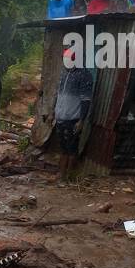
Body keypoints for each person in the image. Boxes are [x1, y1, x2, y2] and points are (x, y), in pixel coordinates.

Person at [54, 53, 95, 182]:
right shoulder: (64, 73)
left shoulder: (84, 75)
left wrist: (81, 120)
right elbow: (58, 94)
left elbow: (86, 100)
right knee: (63, 147)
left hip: (73, 119)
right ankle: (61, 174)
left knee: (71, 148)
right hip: (61, 117)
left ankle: (69, 176)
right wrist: (52, 112)